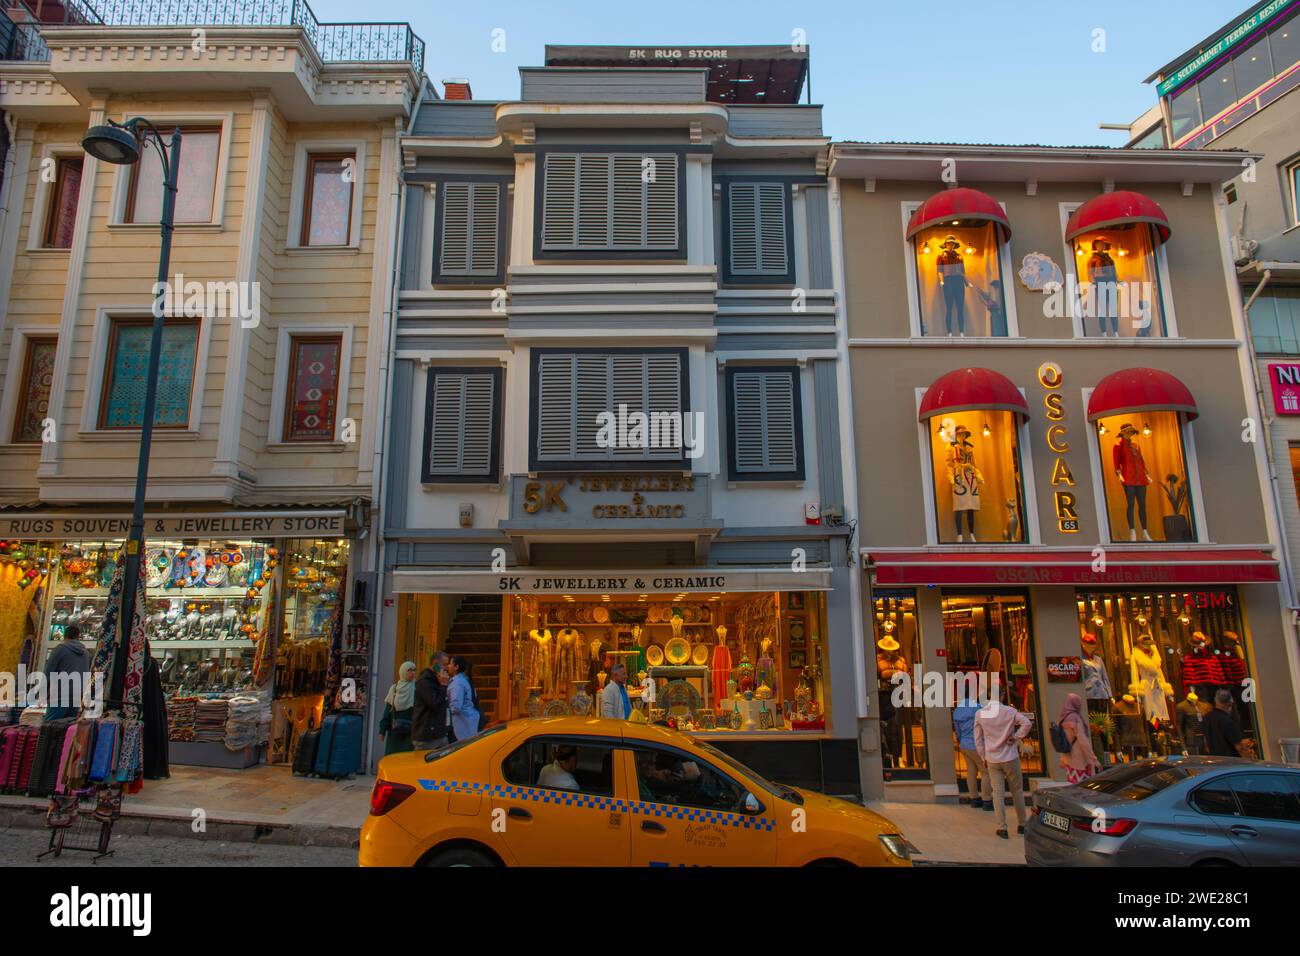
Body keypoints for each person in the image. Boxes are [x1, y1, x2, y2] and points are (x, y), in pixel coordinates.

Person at [974, 686, 1032, 839]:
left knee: (997, 793)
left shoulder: (980, 714)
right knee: (1017, 791)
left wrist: (983, 757)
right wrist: (1016, 736)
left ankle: (1002, 827)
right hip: (1010, 756)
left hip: (992, 758)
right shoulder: (1010, 711)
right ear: (1002, 696)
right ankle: (1022, 823)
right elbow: (1027, 723)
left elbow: (978, 740)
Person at [44, 624, 91, 721]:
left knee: (49, 726)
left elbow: (48, 672)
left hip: (60, 695)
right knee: (68, 726)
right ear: (78, 636)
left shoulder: (60, 649)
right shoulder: (86, 653)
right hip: (77, 696)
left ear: (64, 636)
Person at [952, 692, 989, 810]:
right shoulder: (978, 708)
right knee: (985, 772)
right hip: (977, 745)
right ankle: (987, 799)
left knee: (971, 771)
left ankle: (974, 798)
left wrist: (960, 740)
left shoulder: (957, 711)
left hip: (964, 744)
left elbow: (957, 730)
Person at [1057, 692, 1101, 784]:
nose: (1080, 704)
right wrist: (1094, 760)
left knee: (1073, 786)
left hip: (1068, 759)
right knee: (1083, 786)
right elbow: (1083, 742)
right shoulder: (1075, 718)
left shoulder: (1063, 718)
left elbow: (1062, 740)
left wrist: (1062, 759)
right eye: (1078, 702)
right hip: (1080, 760)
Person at [412, 651, 449, 750]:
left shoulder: (436, 680)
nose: (447, 668)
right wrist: (443, 685)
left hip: (438, 733)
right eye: (444, 664)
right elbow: (435, 703)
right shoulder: (425, 681)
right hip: (427, 735)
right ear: (435, 664)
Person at [379, 661, 417, 756]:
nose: (413, 673)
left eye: (414, 670)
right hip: (394, 732)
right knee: (392, 757)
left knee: (406, 758)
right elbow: (388, 711)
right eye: (409, 670)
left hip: (410, 732)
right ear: (403, 671)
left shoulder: (417, 688)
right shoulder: (394, 688)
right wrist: (382, 730)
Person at [1202, 688, 1252, 758]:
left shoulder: (1207, 718)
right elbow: (1240, 747)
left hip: (1215, 760)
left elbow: (1206, 744)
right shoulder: (1227, 721)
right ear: (1230, 702)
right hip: (1231, 761)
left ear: (1216, 701)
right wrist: (1250, 760)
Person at [447, 655, 480, 743]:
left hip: (462, 724)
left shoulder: (457, 683)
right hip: (468, 722)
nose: (448, 666)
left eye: (450, 664)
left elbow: (455, 706)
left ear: (456, 667)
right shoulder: (464, 680)